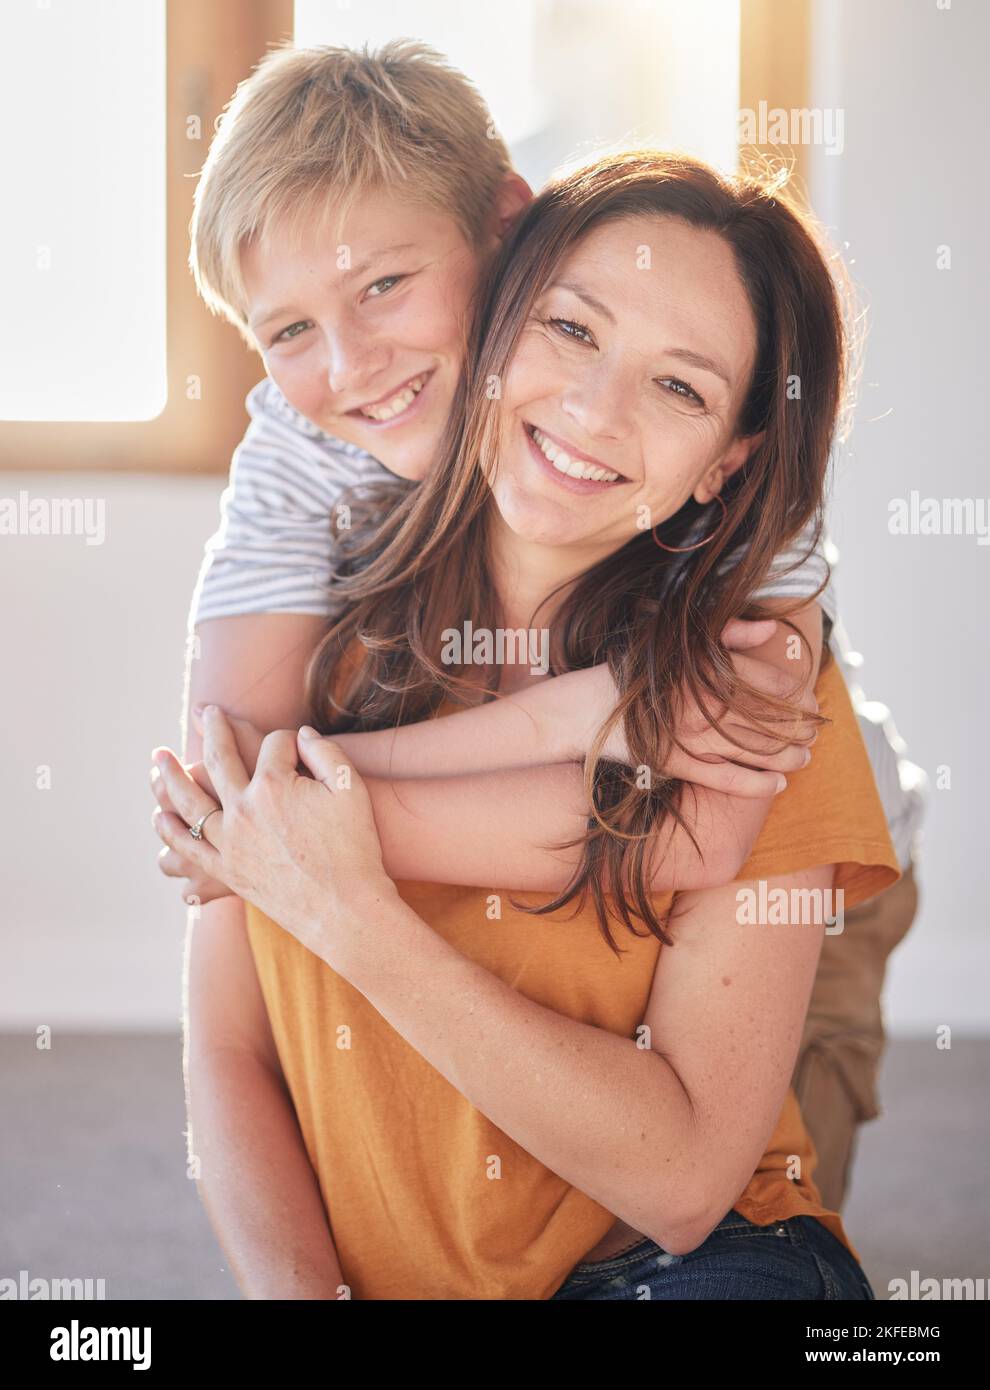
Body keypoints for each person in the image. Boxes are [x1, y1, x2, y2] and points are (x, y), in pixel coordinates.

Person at [153, 148, 902, 1299]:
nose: (595, 410)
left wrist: (337, 892)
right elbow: (230, 1045)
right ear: (501, 318)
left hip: (679, 1259)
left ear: (726, 462)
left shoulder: (750, 690)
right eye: (572, 329)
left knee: (818, 1088)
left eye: (681, 388)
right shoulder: (307, 634)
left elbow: (688, 1181)